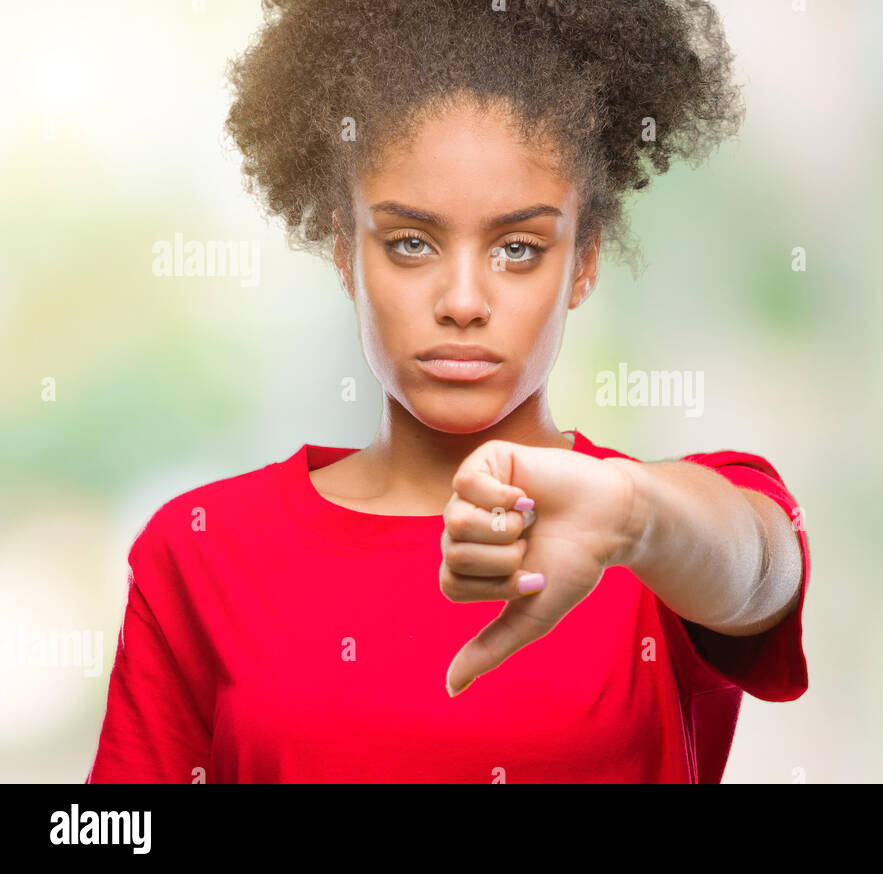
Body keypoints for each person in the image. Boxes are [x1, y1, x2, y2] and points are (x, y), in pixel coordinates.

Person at [87, 0, 810, 784]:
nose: (463, 299)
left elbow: (764, 570)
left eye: (519, 248)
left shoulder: (658, 532)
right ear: (342, 250)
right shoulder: (201, 553)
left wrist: (635, 519)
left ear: (586, 260)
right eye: (410, 242)